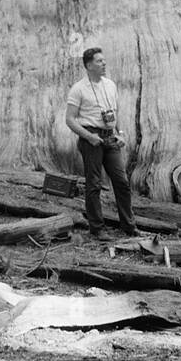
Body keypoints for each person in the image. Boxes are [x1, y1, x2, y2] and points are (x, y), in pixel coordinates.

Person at [65, 46, 138, 238]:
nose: (104, 63)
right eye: (99, 61)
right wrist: (88, 137)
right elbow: (70, 120)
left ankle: (128, 225)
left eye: (104, 60)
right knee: (94, 184)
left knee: (121, 181)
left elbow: (115, 113)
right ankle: (97, 229)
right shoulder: (78, 89)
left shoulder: (110, 85)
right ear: (89, 65)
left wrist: (120, 133)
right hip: (91, 138)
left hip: (109, 136)